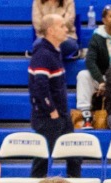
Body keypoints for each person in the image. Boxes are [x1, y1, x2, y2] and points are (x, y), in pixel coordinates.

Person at [27, 14, 75, 143]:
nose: (66, 29)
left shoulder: (55, 51)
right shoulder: (43, 54)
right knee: (43, 159)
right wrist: (52, 110)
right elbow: (40, 86)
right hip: (48, 117)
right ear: (51, 31)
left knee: (74, 155)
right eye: (62, 26)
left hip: (62, 114)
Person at [80, 7, 111, 126]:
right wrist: (101, 81)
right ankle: (86, 115)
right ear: (104, 20)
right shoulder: (97, 37)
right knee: (83, 75)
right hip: (103, 76)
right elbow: (90, 61)